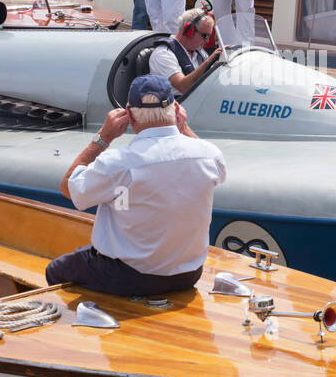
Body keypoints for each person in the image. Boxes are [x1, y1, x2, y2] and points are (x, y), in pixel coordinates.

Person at [44, 74, 225, 296]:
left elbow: (68, 187)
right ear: (176, 109)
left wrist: (103, 137)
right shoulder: (209, 155)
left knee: (56, 270)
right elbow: (217, 167)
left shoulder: (118, 163)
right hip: (188, 275)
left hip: (129, 276)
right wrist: (184, 128)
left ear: (129, 115)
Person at [149, 7, 222, 94]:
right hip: (175, 104)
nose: (207, 41)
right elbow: (183, 86)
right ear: (189, 31)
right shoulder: (163, 54)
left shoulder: (198, 51)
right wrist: (209, 61)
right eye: (204, 36)